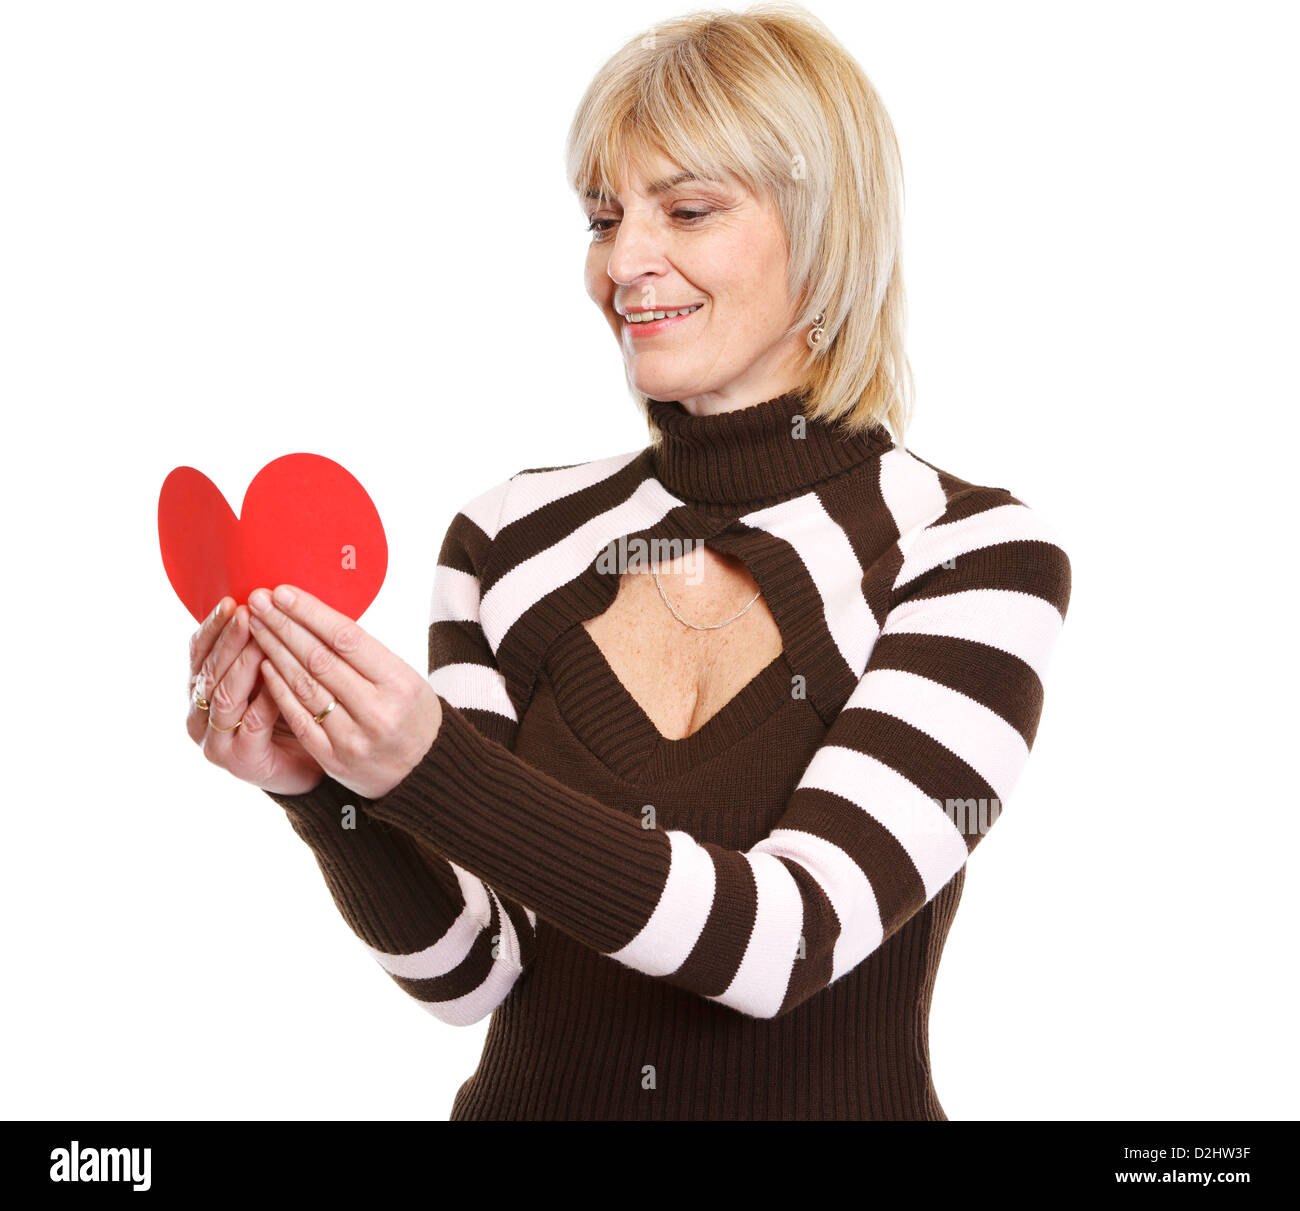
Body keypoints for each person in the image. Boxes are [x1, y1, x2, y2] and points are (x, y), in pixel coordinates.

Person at [184, 4, 1071, 1120]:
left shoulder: (970, 552)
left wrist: (422, 763)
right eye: (604, 220)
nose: (624, 265)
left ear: (828, 226)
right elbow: (471, 969)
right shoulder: (507, 536)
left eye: (688, 210)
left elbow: (784, 941)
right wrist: (324, 794)